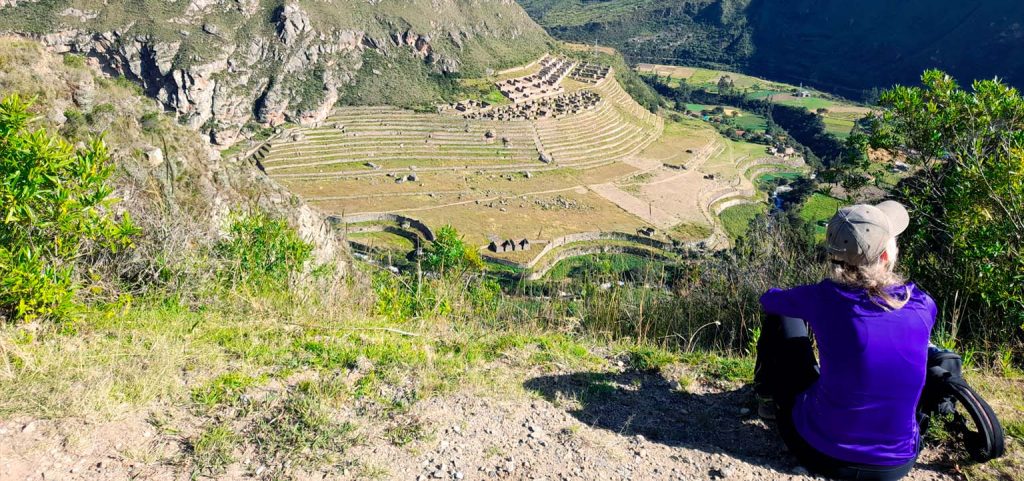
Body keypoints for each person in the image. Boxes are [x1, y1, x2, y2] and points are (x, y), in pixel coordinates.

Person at [753, 200, 936, 481]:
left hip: (820, 453)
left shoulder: (823, 298)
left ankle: (766, 397)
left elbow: (769, 301)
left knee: (782, 316)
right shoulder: (921, 304)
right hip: (896, 464)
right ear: (886, 257)